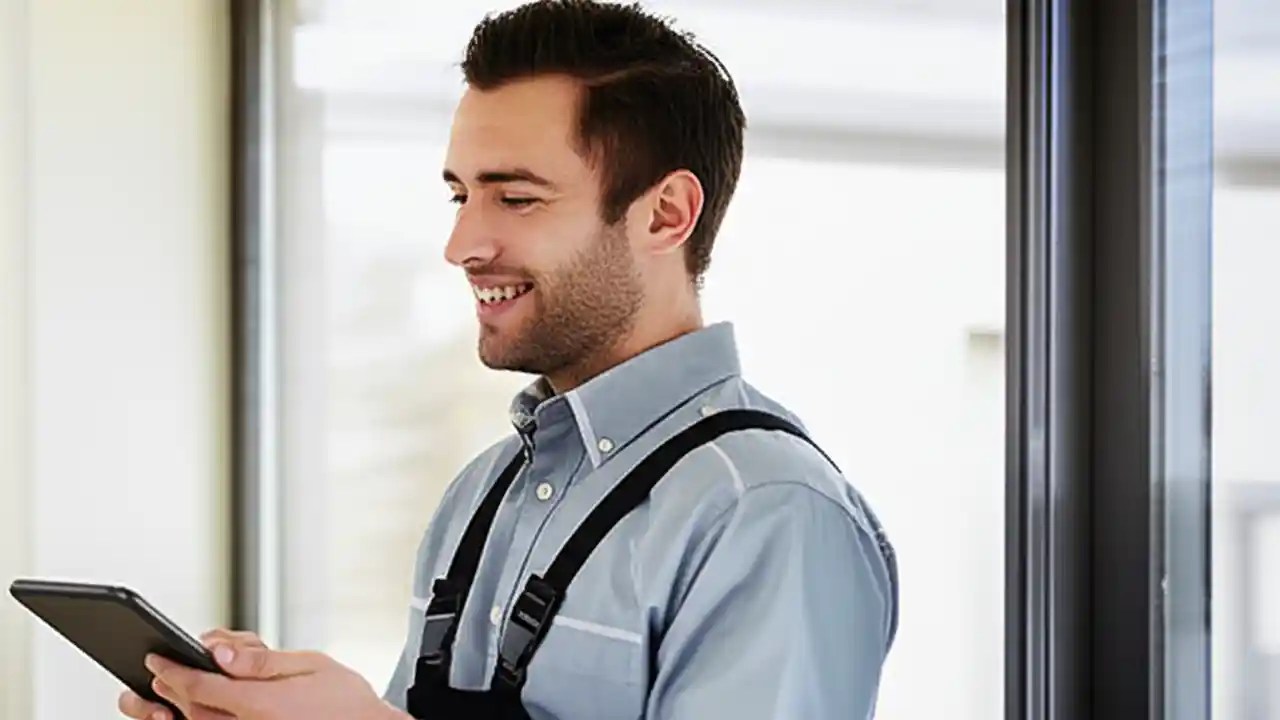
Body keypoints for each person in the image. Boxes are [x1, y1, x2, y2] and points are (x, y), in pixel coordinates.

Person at [119, 2, 898, 719]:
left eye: (516, 198)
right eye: (461, 196)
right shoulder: (482, 494)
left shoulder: (768, 512)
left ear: (666, 215)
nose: (462, 246)